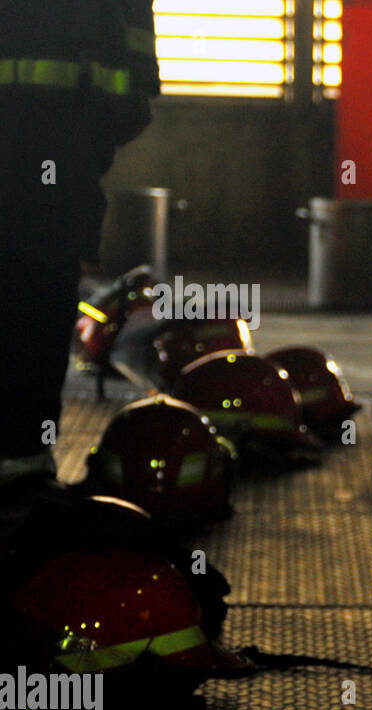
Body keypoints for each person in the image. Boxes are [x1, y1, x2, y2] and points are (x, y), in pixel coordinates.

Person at [0, 1, 159, 541]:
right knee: (39, 303)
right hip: (61, 161)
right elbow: (135, 88)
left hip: (58, 161)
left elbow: (135, 85)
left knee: (39, 304)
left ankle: (22, 463)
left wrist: (84, 140)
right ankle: (23, 464)